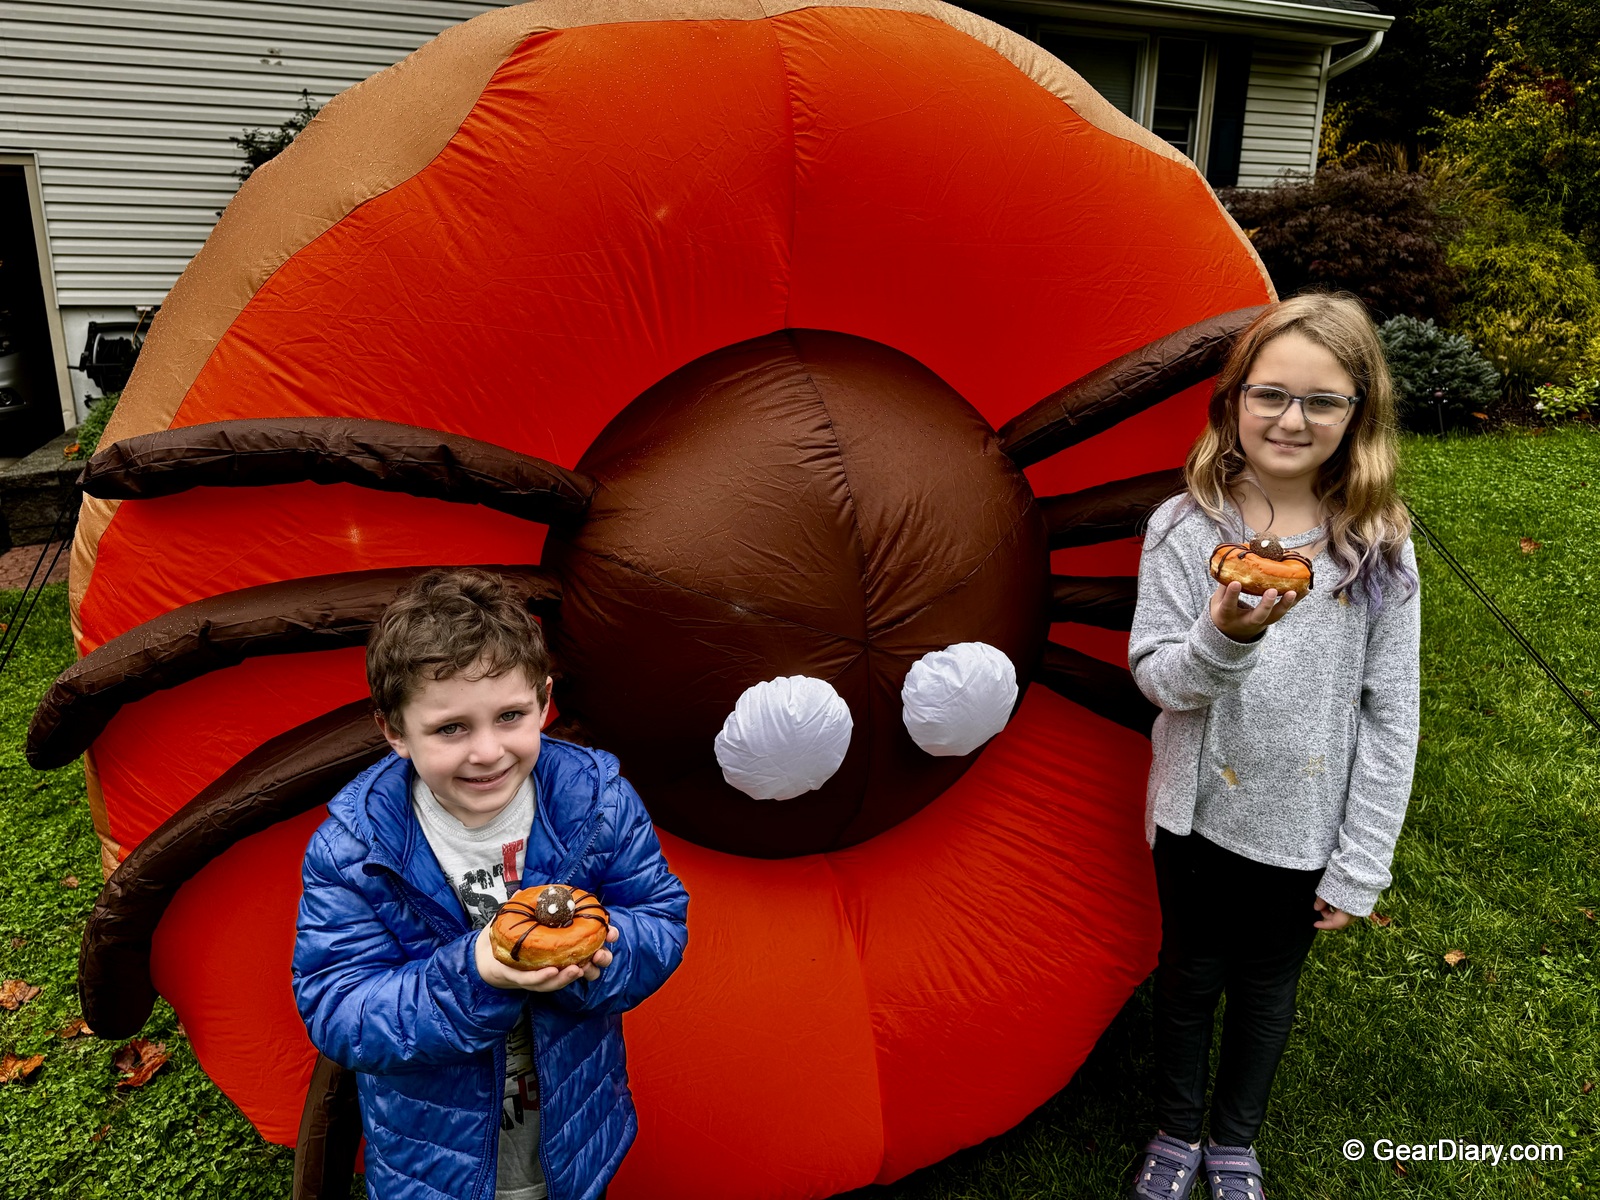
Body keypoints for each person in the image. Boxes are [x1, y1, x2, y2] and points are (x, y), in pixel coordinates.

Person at [1125, 294, 1420, 1200]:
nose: (1292, 420)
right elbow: (1162, 680)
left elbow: (1391, 714)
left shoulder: (1375, 548)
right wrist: (1226, 636)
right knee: (1188, 978)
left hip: (1303, 826)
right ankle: (1177, 1130)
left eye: (1322, 401)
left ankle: (1234, 1140)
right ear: (1234, 401)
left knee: (1264, 991)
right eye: (1271, 394)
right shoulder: (1184, 531)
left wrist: (1361, 860)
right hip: (1195, 816)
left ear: (1358, 414)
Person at [293, 568, 689, 1200]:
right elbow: (339, 1007)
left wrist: (601, 951)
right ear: (394, 730)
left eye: (510, 716)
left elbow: (661, 918)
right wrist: (476, 973)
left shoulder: (599, 804)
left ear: (545, 701)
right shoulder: (355, 851)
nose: (487, 752)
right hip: (433, 1156)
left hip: (574, 1128)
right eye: (451, 728)